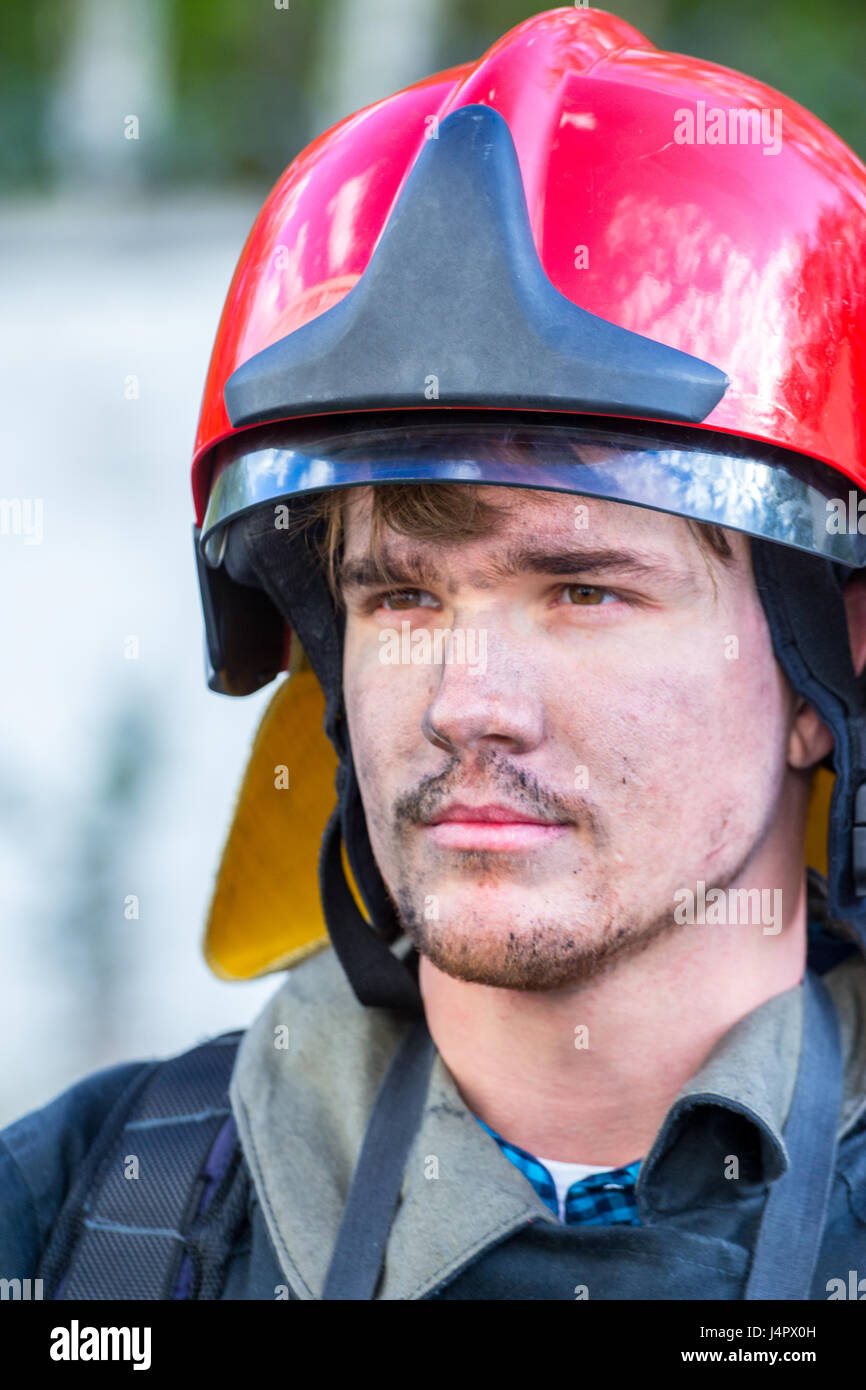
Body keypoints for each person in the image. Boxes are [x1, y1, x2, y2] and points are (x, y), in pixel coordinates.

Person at [3, 6, 866, 1301]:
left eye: (580, 589)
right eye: (400, 597)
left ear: (829, 665)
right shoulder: (73, 1221)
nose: (466, 702)